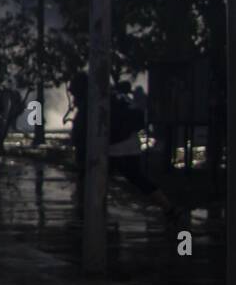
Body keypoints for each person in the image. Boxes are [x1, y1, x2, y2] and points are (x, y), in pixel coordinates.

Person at [69, 72, 178, 218]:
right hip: (129, 143)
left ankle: (86, 214)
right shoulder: (112, 94)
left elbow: (81, 131)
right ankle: (169, 208)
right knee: (137, 178)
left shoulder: (95, 99)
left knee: (89, 176)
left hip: (117, 146)